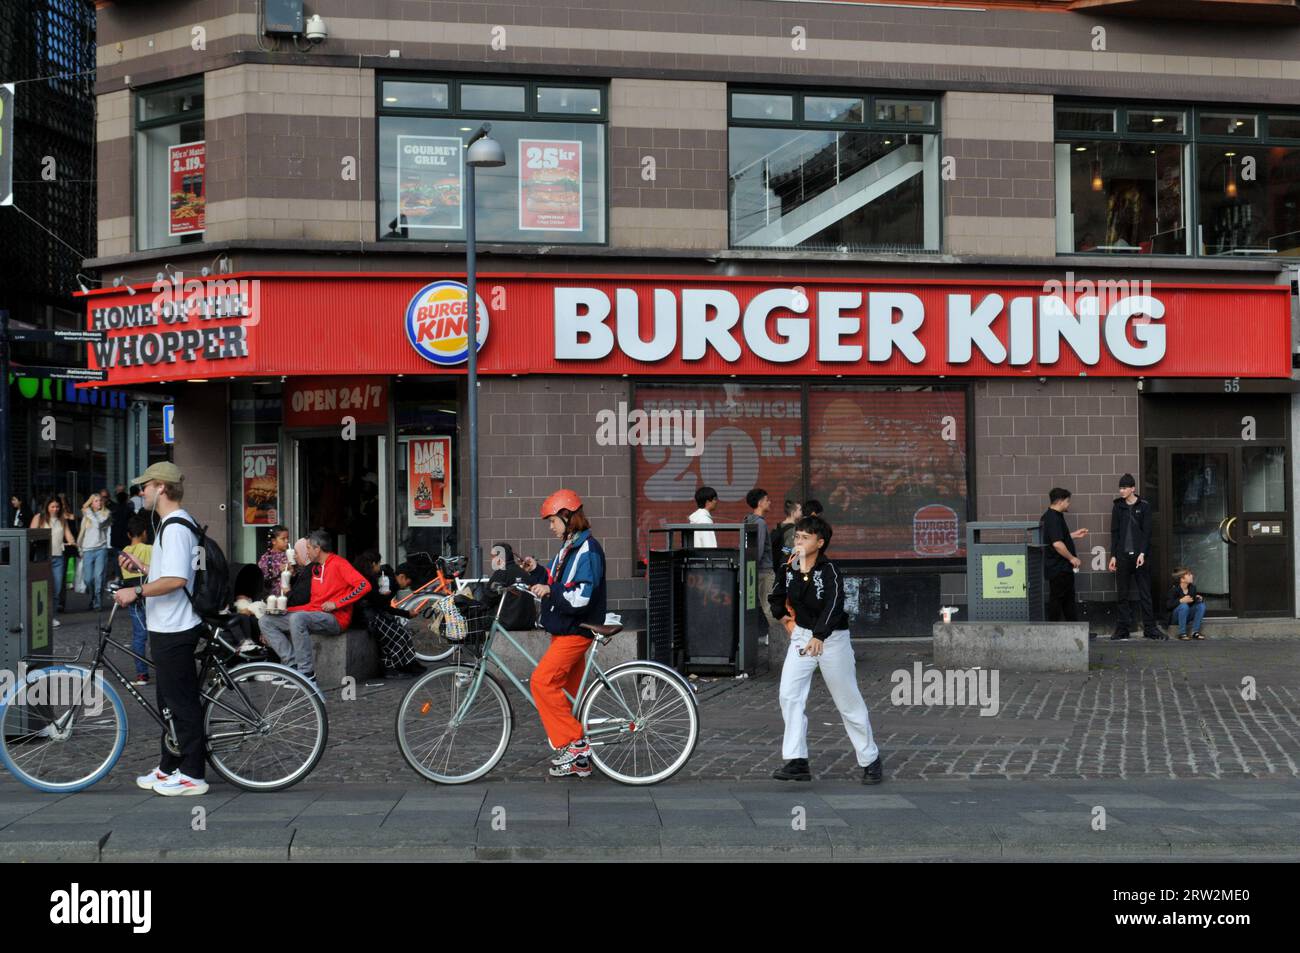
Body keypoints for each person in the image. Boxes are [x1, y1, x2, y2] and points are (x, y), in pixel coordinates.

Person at [112, 461, 209, 796]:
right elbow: (168, 572)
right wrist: (142, 567)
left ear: (162, 488)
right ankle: (170, 766)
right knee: (167, 703)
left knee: (182, 703)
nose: (142, 492)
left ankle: (193, 774)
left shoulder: (177, 527)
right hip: (165, 625)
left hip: (176, 627)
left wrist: (135, 590)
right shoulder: (171, 525)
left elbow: (178, 579)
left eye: (146, 486)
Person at [769, 515, 882, 785]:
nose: (798, 541)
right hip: (802, 638)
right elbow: (776, 596)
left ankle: (870, 759)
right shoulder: (789, 567)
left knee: (848, 701)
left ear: (819, 543)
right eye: (797, 536)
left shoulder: (829, 570)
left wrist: (821, 635)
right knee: (789, 694)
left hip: (833, 640)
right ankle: (797, 761)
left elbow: (835, 604)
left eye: (804, 537)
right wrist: (786, 620)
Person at [518, 489, 607, 779]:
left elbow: (579, 597)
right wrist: (536, 573)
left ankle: (576, 744)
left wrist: (551, 590)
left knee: (542, 683)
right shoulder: (570, 547)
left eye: (553, 521)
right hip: (565, 630)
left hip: (575, 632)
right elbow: (557, 583)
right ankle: (579, 762)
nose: (551, 526)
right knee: (568, 697)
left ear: (567, 516)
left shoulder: (587, 550)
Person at [257, 528, 371, 687]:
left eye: (309, 548)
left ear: (318, 549)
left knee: (298, 618)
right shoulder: (316, 568)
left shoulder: (339, 563)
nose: (306, 552)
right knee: (266, 620)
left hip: (336, 619)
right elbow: (312, 605)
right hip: (314, 614)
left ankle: (306, 674)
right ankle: (292, 666)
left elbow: (364, 586)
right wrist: (284, 611)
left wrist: (337, 604)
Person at [1108, 473, 1163, 641]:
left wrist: (1142, 553)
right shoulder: (1118, 507)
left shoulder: (1144, 506)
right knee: (1122, 594)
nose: (1121, 491)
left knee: (1145, 593)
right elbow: (1115, 533)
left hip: (1140, 557)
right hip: (1123, 556)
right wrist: (1113, 556)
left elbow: (1147, 533)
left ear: (1133, 488)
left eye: (1124, 488)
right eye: (1120, 488)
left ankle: (1150, 629)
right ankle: (1123, 629)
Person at [1040, 487, 1089, 629]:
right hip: (1059, 568)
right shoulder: (1053, 518)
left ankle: (1074, 631)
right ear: (1060, 501)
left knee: (1066, 601)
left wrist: (1073, 535)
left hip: (1060, 568)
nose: (1069, 504)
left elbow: (1057, 537)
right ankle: (1055, 631)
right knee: (1059, 601)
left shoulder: (1052, 516)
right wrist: (1072, 558)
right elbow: (1057, 544)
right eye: (1067, 501)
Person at [31, 497, 75, 628]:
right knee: (41, 588)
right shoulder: (39, 517)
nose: (55, 509)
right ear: (47, 507)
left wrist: (73, 542)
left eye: (57, 506)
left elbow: (68, 535)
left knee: (56, 589)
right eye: (52, 506)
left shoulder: (62, 520)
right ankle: (38, 616)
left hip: (58, 557)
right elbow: (30, 534)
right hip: (43, 558)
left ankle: (52, 616)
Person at [120, 515, 153, 685]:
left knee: (139, 636)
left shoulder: (124, 553)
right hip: (150, 596)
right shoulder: (150, 549)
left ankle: (142, 674)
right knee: (155, 634)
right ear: (145, 533)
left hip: (133, 598)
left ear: (128, 534)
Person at [744, 488, 775, 633]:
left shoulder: (747, 520)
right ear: (761, 502)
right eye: (767, 500)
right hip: (763, 571)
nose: (770, 502)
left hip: (751, 571)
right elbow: (760, 549)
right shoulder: (761, 523)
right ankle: (780, 644)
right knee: (770, 608)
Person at [77, 493, 113, 611]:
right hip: (87, 550)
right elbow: (82, 532)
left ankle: (97, 602)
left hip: (100, 549)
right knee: (88, 579)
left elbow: (98, 525)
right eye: (96, 501)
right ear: (91, 503)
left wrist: (88, 512)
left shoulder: (106, 514)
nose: (99, 503)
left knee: (99, 576)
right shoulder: (87, 516)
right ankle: (92, 597)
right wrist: (79, 547)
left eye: (100, 500)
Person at [1166, 567, 1207, 641]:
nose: (1192, 576)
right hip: (1175, 618)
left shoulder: (1192, 588)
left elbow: (1193, 602)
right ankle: (1182, 633)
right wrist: (1180, 601)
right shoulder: (1174, 589)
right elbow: (1168, 605)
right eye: (1189, 575)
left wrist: (1198, 599)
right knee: (1184, 606)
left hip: (1186, 615)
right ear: (1182, 579)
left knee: (1201, 606)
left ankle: (1195, 632)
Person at [256, 524, 291, 595]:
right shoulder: (266, 558)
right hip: (272, 597)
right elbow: (262, 577)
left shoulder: (290, 555)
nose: (286, 541)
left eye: (287, 538)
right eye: (283, 539)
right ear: (274, 541)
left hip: (289, 596)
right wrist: (278, 569)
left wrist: (293, 571)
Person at [772, 498, 802, 568]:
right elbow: (789, 549)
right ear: (793, 512)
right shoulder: (793, 529)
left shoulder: (777, 525)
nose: (802, 512)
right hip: (787, 564)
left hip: (776, 562)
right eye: (800, 510)